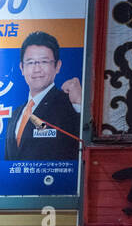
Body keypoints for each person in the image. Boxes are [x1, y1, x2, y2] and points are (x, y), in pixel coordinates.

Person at [4, 31, 82, 162]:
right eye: (30, 62)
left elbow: (80, 141)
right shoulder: (17, 113)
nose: (37, 69)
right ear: (22, 68)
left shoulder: (69, 103)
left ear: (57, 66)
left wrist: (79, 105)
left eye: (44, 62)